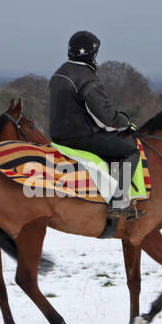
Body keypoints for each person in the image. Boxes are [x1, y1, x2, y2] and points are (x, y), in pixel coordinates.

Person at [48, 30, 139, 214]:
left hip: (57, 136)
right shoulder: (86, 77)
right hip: (81, 136)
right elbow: (106, 118)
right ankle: (119, 202)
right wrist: (125, 121)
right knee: (130, 152)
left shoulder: (59, 73)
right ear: (90, 53)